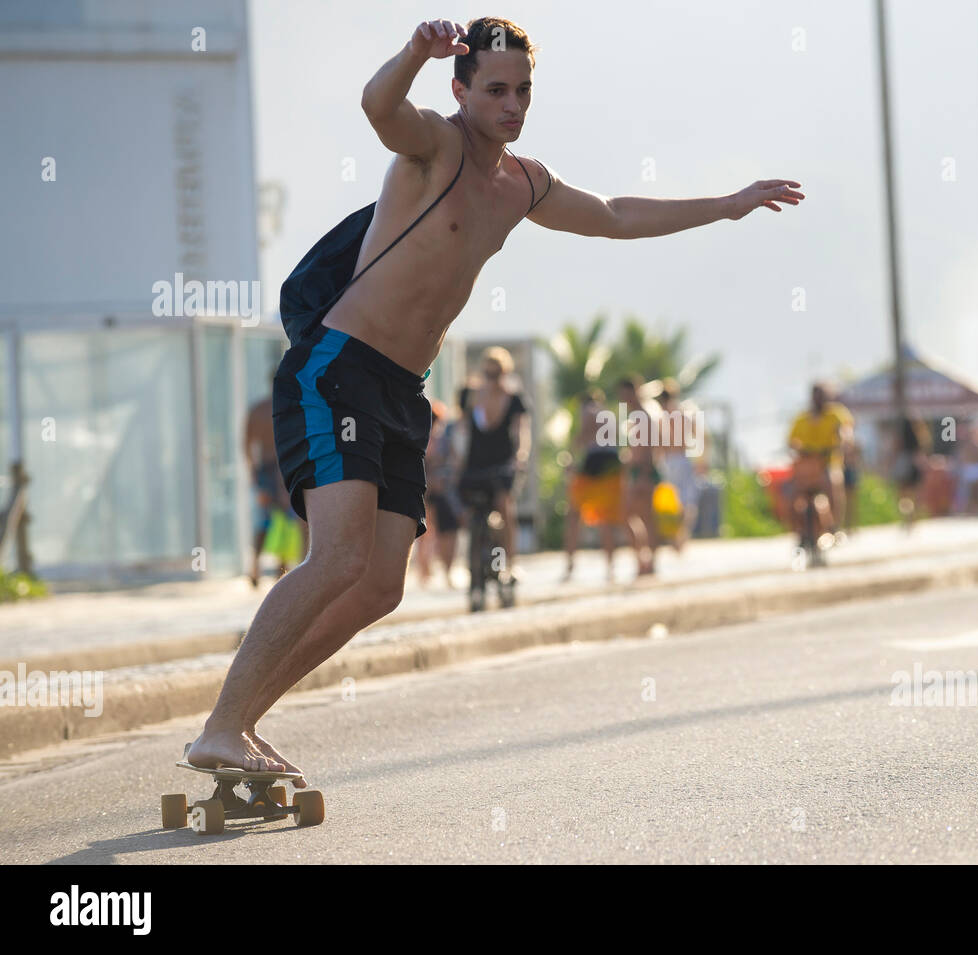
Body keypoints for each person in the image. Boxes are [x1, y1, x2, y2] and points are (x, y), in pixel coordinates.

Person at [185, 16, 805, 775]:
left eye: (523, 91)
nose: (512, 106)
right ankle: (221, 722)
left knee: (380, 586)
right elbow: (380, 109)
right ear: (461, 90)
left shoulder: (522, 184)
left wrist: (726, 203)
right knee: (337, 555)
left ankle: (238, 721)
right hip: (338, 367)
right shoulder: (431, 148)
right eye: (495, 90)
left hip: (403, 393)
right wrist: (415, 52)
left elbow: (613, 216)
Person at [457, 347, 529, 588]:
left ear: (505, 373)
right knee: (469, 507)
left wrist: (520, 456)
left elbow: (521, 432)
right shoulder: (470, 396)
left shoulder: (514, 399)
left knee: (504, 504)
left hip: (502, 464)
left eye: (496, 374)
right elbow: (461, 429)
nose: (492, 379)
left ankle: (510, 562)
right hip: (475, 464)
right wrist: (455, 458)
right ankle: (474, 557)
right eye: (488, 373)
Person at [243, 382, 302, 587]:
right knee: (284, 518)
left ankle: (256, 567)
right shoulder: (286, 408)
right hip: (281, 468)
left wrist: (253, 476)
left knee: (267, 520)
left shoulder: (257, 409)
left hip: (265, 470)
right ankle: (279, 570)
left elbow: (247, 446)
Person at [563, 389, 622, 581]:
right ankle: (611, 566)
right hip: (612, 464)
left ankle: (570, 564)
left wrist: (570, 456)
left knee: (574, 515)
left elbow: (584, 435)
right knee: (606, 519)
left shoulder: (588, 410)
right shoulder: (608, 414)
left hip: (594, 463)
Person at [787, 383, 849, 552]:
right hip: (808, 465)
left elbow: (845, 433)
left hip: (829, 462)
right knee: (793, 494)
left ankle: (835, 526)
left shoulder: (836, 415)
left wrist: (840, 443)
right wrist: (799, 449)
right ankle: (799, 532)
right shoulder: (802, 418)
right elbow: (791, 441)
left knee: (833, 486)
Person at [414, 398, 461, 587]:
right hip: (433, 490)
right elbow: (454, 462)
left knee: (428, 533)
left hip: (431, 490)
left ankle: (427, 572)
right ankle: (433, 572)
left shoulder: (423, 438)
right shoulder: (440, 441)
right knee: (437, 533)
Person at [617, 375, 660, 576]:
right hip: (638, 471)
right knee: (636, 517)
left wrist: (644, 472)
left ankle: (648, 561)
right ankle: (644, 561)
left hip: (643, 472)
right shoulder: (636, 415)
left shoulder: (642, 415)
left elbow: (650, 447)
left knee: (642, 517)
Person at [656, 378, 705, 551]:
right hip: (681, 460)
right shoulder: (682, 414)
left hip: (668, 462)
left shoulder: (661, 417)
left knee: (674, 503)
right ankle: (680, 536)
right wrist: (701, 460)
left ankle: (675, 536)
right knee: (687, 503)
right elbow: (700, 437)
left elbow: (658, 445)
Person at [892, 416, 931, 529]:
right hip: (915, 463)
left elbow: (896, 447)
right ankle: (913, 518)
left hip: (904, 463)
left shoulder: (903, 436)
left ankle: (907, 518)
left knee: (903, 494)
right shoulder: (921, 435)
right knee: (914, 494)